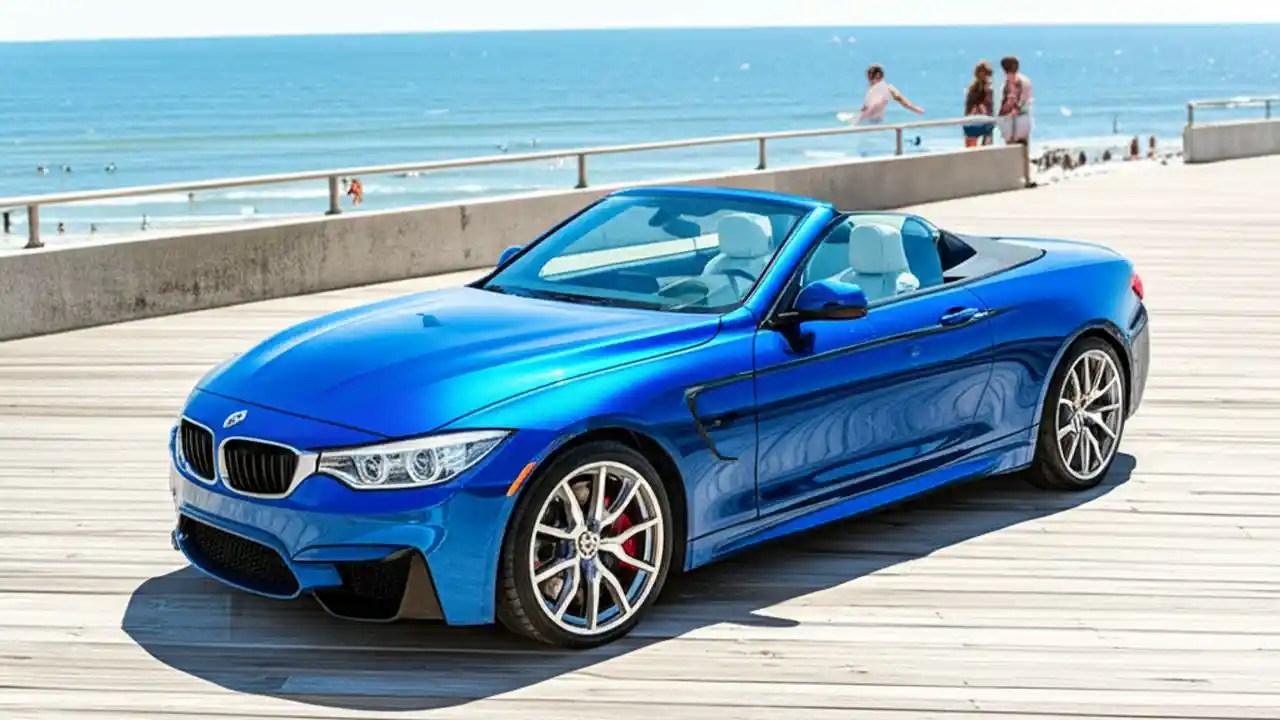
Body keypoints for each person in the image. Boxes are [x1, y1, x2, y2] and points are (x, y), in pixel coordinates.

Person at [855, 64, 923, 124]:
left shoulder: (879, 89)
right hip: (874, 122)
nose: (869, 80)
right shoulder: (879, 88)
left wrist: (916, 109)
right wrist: (916, 109)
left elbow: (900, 99)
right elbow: (902, 100)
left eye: (869, 78)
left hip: (868, 121)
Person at [996, 56, 1033, 145]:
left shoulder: (1011, 81)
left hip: (1013, 121)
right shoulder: (1025, 80)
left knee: (1011, 148)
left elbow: (1012, 102)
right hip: (1025, 116)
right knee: (1023, 149)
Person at [962, 60, 995, 148]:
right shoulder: (989, 90)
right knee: (987, 152)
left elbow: (968, 110)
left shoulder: (971, 89)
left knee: (970, 153)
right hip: (985, 123)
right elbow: (988, 110)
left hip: (970, 123)